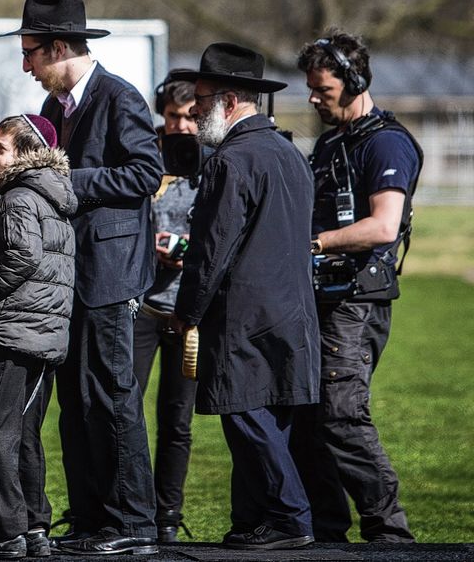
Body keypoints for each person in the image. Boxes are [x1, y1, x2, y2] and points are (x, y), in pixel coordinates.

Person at [0, 0, 163, 556]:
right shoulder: (58, 111)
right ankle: (93, 518)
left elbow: (144, 172)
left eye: (31, 54)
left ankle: (134, 524)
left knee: (110, 399)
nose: (26, 66)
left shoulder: (119, 99)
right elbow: (13, 153)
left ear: (59, 47)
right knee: (76, 406)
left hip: (107, 277)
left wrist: (62, 182)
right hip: (66, 282)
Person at [168, 42, 320, 550]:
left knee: (247, 416)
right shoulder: (288, 154)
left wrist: (186, 312)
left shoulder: (231, 161)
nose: (193, 110)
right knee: (268, 418)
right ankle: (254, 519)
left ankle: (289, 519)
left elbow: (211, 250)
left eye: (202, 100)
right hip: (292, 312)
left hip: (244, 317)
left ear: (229, 101)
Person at [289, 30, 420, 543]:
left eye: (322, 89)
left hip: (357, 300)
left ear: (355, 80)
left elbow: (384, 226)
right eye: (311, 89)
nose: (314, 98)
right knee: (309, 416)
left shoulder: (387, 142)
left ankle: (390, 533)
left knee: (341, 414)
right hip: (319, 296)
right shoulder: (329, 143)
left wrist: (315, 244)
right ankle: (327, 532)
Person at [0, 114, 78, 559]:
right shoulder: (52, 197)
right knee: (23, 435)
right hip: (43, 334)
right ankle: (32, 529)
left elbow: (23, 257)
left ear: (27, 155)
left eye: (0, 148)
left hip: (16, 332)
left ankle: (8, 534)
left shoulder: (19, 198)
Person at [132, 71, 199, 543]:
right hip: (143, 305)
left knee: (177, 422)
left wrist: (191, 249)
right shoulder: (147, 155)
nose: (181, 126)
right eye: (174, 116)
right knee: (125, 412)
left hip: (190, 310)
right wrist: (146, 244)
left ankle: (167, 518)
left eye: (191, 117)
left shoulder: (214, 159)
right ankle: (126, 510)